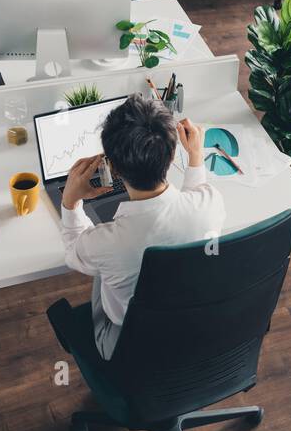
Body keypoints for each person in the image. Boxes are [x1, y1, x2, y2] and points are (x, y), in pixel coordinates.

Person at [54, 95, 225, 362]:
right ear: (171, 156)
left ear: (113, 168)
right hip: (192, 331)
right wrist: (195, 157)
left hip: (129, 346)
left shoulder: (105, 243)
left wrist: (70, 201)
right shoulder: (211, 204)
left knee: (102, 269)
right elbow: (195, 199)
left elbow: (73, 253)